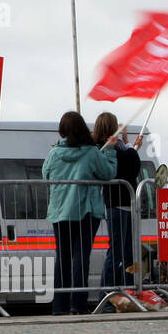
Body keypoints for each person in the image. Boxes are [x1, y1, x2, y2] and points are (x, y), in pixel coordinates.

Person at [43, 111, 118, 316]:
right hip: (86, 211)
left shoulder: (54, 153)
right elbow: (108, 173)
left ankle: (59, 305)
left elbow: (45, 175)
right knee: (81, 258)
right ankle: (77, 304)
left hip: (60, 212)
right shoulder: (92, 152)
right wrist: (110, 151)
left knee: (63, 258)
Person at [94, 113, 143, 291]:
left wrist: (131, 146)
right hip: (117, 203)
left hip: (123, 204)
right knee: (116, 252)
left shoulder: (113, 148)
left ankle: (127, 291)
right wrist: (130, 144)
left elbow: (129, 162)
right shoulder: (107, 149)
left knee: (127, 252)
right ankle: (107, 295)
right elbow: (131, 166)